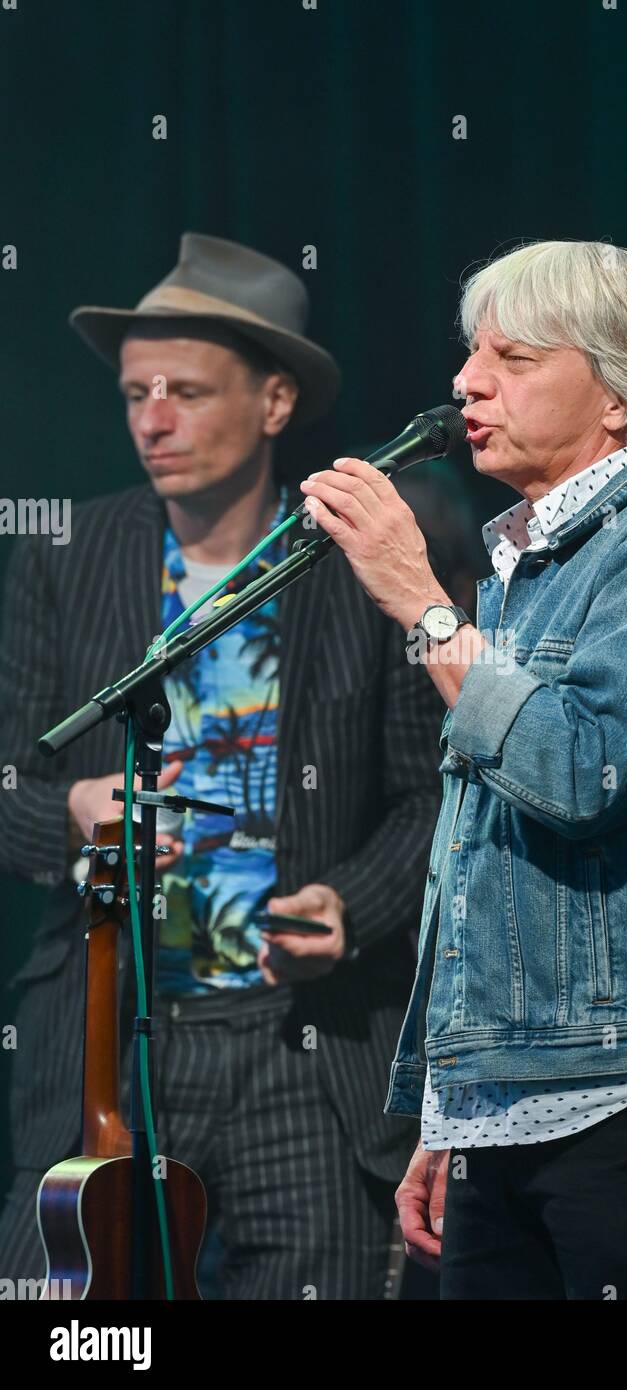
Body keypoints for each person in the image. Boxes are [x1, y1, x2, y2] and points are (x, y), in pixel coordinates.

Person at [296, 239, 627, 1300]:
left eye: (512, 356)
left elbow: (578, 774)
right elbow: (476, 858)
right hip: (504, 1098)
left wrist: (420, 603)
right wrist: (450, 1100)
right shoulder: (527, 570)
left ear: (617, 395)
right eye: (471, 353)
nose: (466, 381)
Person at [0, 233, 447, 1299]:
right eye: (135, 392)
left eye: (187, 392)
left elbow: (439, 791)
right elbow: (10, 780)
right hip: (112, 1041)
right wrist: (67, 811)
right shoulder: (68, 553)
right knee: (79, 1328)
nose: (152, 420)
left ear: (276, 401)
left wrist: (354, 902)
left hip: (304, 1046)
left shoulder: (358, 563)